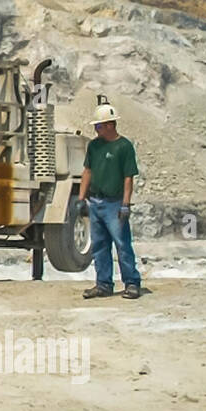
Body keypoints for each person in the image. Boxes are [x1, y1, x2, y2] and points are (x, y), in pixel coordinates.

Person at [77, 99, 141, 299]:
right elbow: (87, 171)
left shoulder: (124, 147)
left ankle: (131, 283)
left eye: (98, 126)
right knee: (100, 245)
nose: (96, 130)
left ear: (110, 125)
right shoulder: (94, 147)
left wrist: (125, 204)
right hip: (96, 202)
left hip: (114, 204)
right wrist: (81, 198)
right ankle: (103, 284)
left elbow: (128, 177)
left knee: (122, 244)